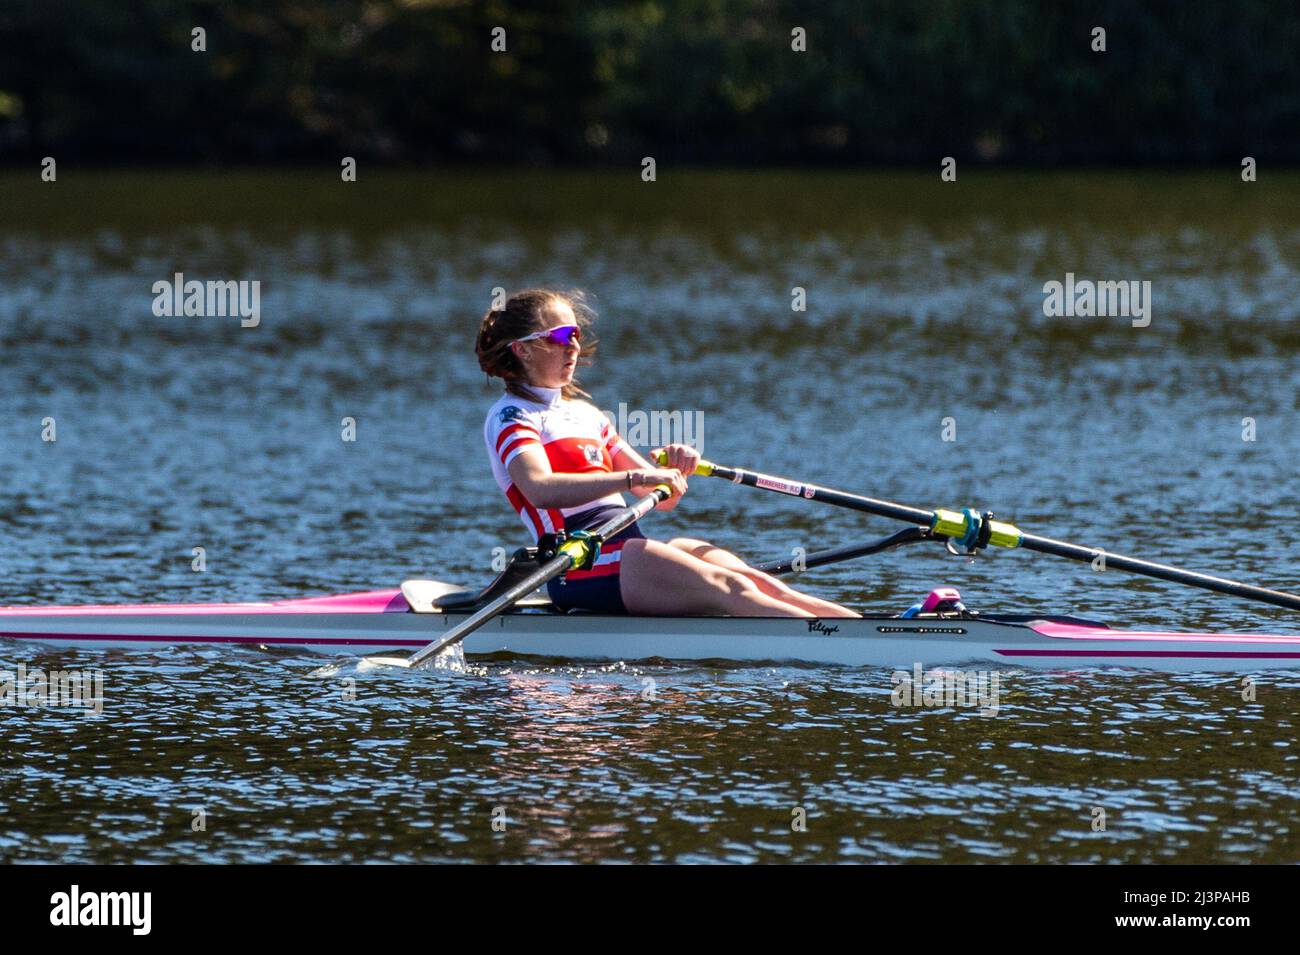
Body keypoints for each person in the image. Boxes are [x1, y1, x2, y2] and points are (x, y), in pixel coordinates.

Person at [475, 289, 860, 618]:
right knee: (730, 587)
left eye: (576, 333)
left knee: (755, 581)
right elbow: (540, 488)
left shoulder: (586, 415)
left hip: (625, 553)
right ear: (523, 349)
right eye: (560, 335)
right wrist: (636, 478)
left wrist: (673, 466)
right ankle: (851, 647)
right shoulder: (512, 416)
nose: (574, 345)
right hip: (578, 565)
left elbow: (665, 501)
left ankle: (883, 632)